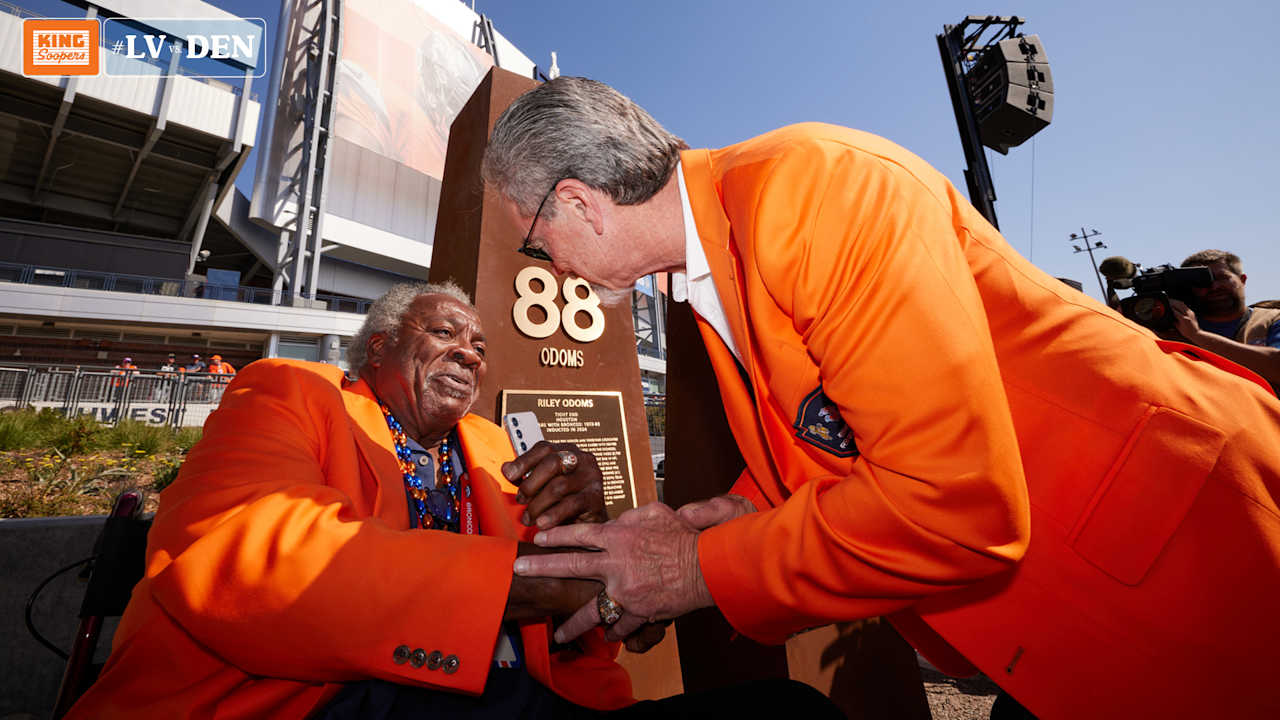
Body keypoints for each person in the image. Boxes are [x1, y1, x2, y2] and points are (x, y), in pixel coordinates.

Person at [481, 77, 1280, 719]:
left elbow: (952, 501)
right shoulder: (720, 256)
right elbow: (835, 433)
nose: (550, 270)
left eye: (535, 242)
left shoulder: (810, 189)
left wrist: (693, 568)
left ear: (579, 201)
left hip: (1195, 568)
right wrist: (728, 513)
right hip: (1078, 612)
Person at [66, 282, 835, 720]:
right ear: (380, 348)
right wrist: (527, 583)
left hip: (519, 703)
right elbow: (243, 550)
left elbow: (591, 639)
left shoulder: (502, 450)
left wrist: (606, 553)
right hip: (308, 706)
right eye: (445, 333)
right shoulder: (288, 393)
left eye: (479, 345)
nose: (471, 351)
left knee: (794, 713)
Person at [1169, 249, 1280, 394]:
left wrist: (1197, 336)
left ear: (1243, 279)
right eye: (1202, 281)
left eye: (1222, 277)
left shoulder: (1271, 319)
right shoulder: (1173, 329)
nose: (1214, 287)